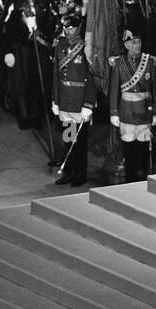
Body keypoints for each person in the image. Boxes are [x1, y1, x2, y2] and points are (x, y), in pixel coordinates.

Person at [106, 28, 156, 183]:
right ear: (126, 45)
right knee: (129, 149)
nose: (138, 45)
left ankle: (143, 178)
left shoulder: (149, 62)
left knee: (143, 149)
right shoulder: (118, 63)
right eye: (134, 42)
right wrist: (114, 112)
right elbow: (114, 90)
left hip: (144, 111)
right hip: (127, 111)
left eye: (139, 42)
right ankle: (130, 180)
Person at [51, 14, 96, 187]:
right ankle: (68, 172)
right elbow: (56, 74)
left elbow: (91, 77)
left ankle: (80, 174)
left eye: (72, 27)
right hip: (65, 101)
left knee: (80, 141)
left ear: (78, 27)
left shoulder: (86, 47)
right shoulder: (60, 45)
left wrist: (88, 104)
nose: (69, 30)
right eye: (66, 27)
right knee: (68, 139)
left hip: (79, 101)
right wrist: (55, 100)